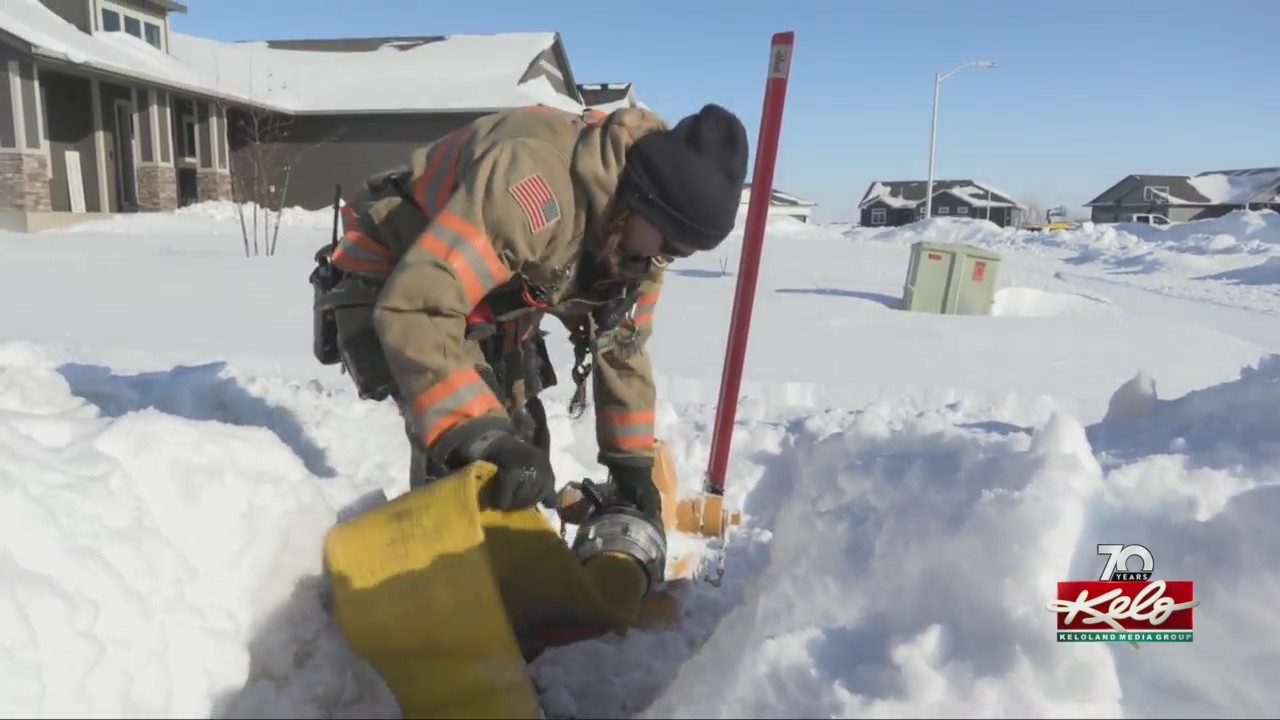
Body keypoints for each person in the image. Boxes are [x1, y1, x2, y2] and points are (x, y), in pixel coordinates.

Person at [313, 102, 749, 523]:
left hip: (495, 295)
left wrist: (630, 462)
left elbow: (622, 346)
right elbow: (419, 307)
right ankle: (438, 577)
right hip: (401, 269)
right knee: (472, 461)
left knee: (524, 442)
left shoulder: (641, 250)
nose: (666, 260)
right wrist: (480, 435)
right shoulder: (532, 186)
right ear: (641, 202)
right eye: (671, 245)